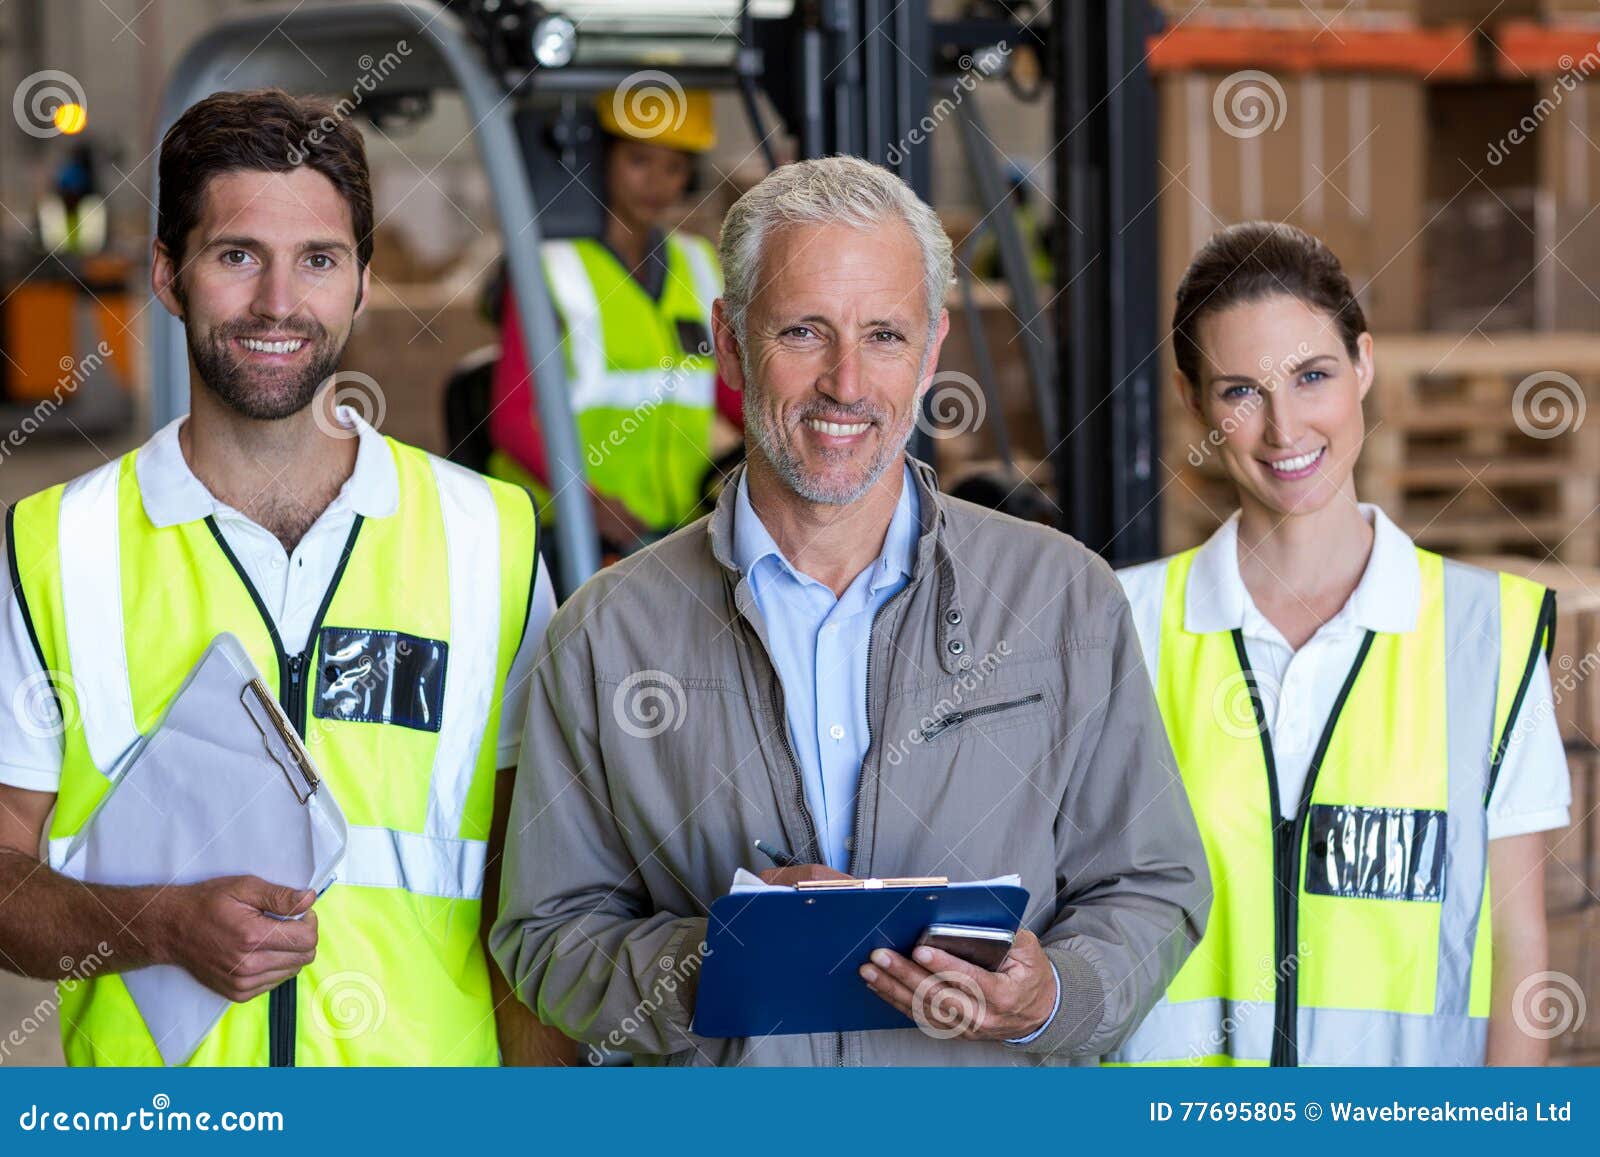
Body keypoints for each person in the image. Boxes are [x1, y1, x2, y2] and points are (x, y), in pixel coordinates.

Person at [491, 155, 1210, 1066]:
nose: (846, 383)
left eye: (884, 336)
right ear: (729, 338)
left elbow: (1152, 883)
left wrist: (1052, 995)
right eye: (802, 331)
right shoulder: (604, 633)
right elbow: (545, 934)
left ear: (934, 348)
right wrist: (709, 961)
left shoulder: (1062, 598)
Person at [0, 89, 573, 1067]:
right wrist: (160, 925)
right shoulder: (58, 544)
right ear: (168, 276)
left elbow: (535, 896)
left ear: (358, 281)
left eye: (318, 259)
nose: (277, 302)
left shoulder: (491, 539)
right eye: (236, 256)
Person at [1112, 221, 1569, 1067]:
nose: (1284, 429)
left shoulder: (1487, 637)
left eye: (1312, 376)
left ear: (1363, 363)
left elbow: (1516, 946)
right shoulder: (1124, 624)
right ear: (1193, 401)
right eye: (1240, 391)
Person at [487, 88, 743, 557]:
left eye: (673, 167)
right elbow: (510, 420)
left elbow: (731, 392)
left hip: (672, 533)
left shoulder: (699, 263)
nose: (657, 183)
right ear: (602, 159)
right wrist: (588, 504)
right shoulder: (549, 267)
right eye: (639, 161)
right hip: (568, 538)